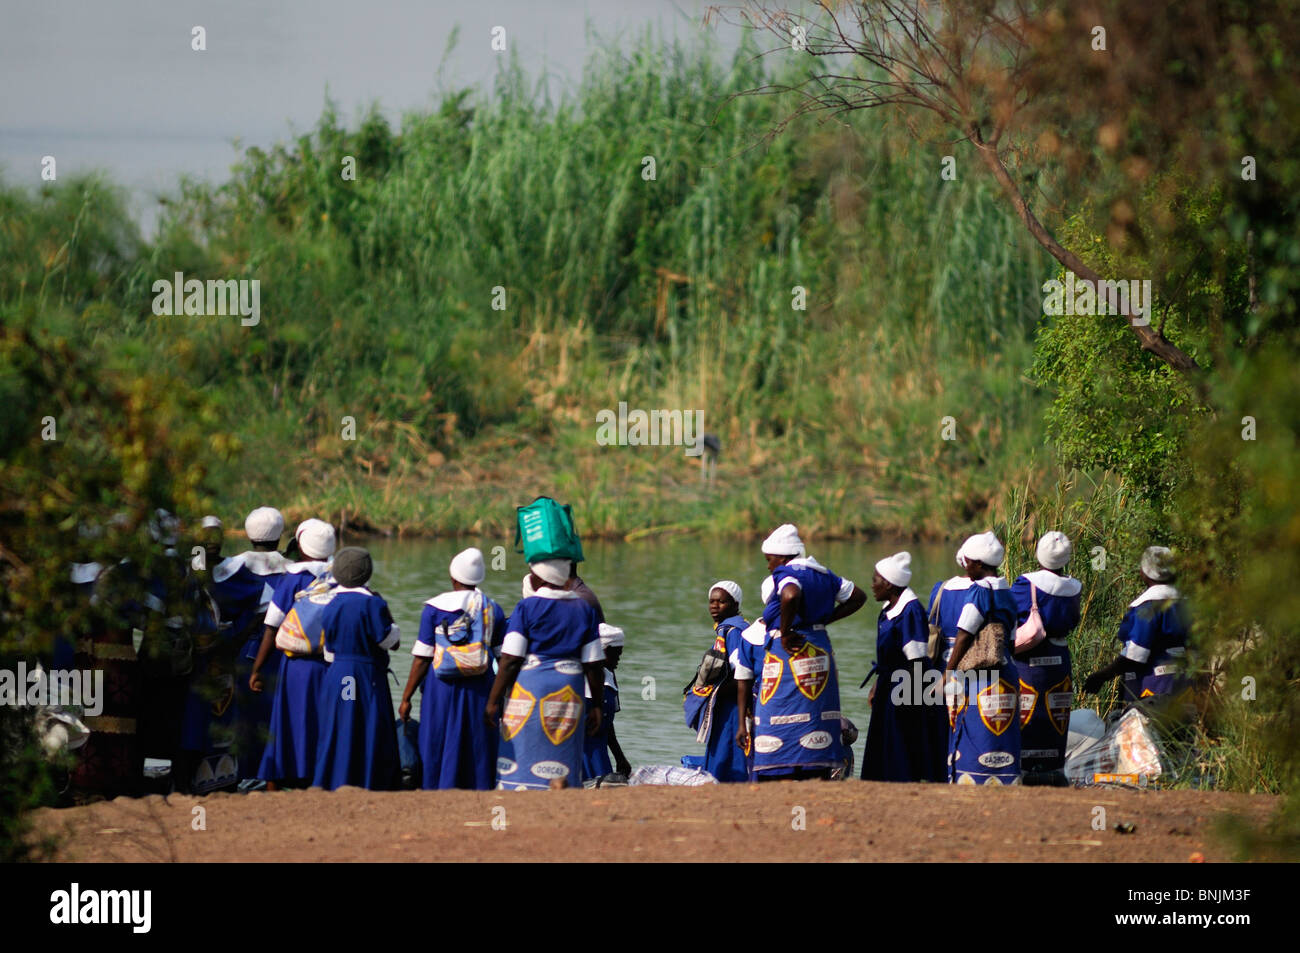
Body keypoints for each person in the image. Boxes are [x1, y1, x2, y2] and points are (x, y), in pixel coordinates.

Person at [735, 524, 867, 781]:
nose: (769, 565)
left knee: (779, 709)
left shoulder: (787, 573)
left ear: (782, 556)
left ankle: (780, 769)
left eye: (769, 559)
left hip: (790, 653)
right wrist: (825, 620)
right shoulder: (825, 574)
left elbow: (790, 594)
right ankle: (814, 768)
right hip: (819, 649)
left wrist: (785, 632)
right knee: (815, 711)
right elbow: (858, 597)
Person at [486, 558, 604, 790]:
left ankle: (520, 786)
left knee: (525, 742)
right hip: (569, 689)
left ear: (540, 578)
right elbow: (594, 664)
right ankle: (560, 785)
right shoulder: (584, 608)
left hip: (532, 686)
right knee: (563, 741)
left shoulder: (527, 607)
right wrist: (597, 705)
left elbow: (510, 659)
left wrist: (493, 701)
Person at [399, 548, 506, 791]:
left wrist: (406, 697)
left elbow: (422, 658)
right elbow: (503, 659)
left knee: (437, 736)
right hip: (479, 687)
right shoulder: (492, 609)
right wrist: (500, 698)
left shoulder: (434, 608)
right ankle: (477, 786)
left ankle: (437, 786)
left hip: (441, 688)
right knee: (476, 739)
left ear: (453, 577)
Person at [249, 518, 336, 789]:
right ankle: (319, 778)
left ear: (300, 544)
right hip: (330, 667)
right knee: (322, 723)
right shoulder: (340, 577)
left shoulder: (294, 578)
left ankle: (279, 781)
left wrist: (257, 668)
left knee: (288, 722)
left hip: (295, 668)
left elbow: (271, 627)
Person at [312, 548, 402, 790]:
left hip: (339, 673)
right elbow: (391, 642)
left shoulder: (330, 603)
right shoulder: (372, 603)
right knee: (368, 724)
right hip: (365, 675)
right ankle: (369, 780)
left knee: (340, 724)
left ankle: (334, 778)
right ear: (367, 572)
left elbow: (328, 650)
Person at [212, 506, 288, 779]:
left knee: (242, 716)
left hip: (243, 652)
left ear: (247, 534)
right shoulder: (294, 572)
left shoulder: (228, 570)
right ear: (280, 535)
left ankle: (241, 773)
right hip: (285, 656)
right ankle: (276, 774)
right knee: (278, 714)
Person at [861, 552, 948, 782]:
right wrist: (877, 686)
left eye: (875, 580)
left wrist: (905, 701)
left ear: (889, 584)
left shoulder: (910, 612)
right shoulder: (889, 609)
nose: (872, 585)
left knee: (902, 741)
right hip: (890, 683)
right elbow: (886, 659)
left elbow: (917, 661)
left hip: (907, 685)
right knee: (885, 744)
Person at [944, 531, 1021, 785]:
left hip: (979, 675)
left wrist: (949, 670)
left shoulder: (979, 591)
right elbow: (1011, 639)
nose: (965, 568)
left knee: (975, 729)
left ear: (978, 564)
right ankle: (1005, 778)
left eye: (967, 563)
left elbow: (964, 634)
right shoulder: (1007, 590)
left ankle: (973, 777)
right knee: (1002, 729)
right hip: (1006, 670)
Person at [1011, 531, 1082, 781]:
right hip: (1059, 659)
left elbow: (1012, 613)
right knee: (1056, 714)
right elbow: (1073, 620)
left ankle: (1025, 770)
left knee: (1026, 713)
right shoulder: (1075, 588)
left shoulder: (1026, 583)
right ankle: (1053, 769)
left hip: (1029, 662)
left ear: (1039, 553)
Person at [1082, 546, 1190, 705]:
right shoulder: (1187, 604)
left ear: (1145, 573)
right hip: (1185, 684)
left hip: (1152, 688)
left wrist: (1101, 676)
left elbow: (1135, 656)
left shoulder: (1146, 608)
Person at [684, 581, 750, 782]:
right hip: (727, 701)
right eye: (712, 601)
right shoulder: (727, 628)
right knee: (721, 749)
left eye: (721, 602)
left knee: (728, 751)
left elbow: (742, 674)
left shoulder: (734, 631)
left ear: (735, 604)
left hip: (733, 704)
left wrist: (712, 693)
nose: (714, 606)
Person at [583, 623, 631, 783]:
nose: (618, 660)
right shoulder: (579, 679)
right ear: (600, 651)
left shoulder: (610, 677)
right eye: (615, 655)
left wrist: (619, 756)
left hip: (600, 755)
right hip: (579, 755)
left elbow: (607, 723)